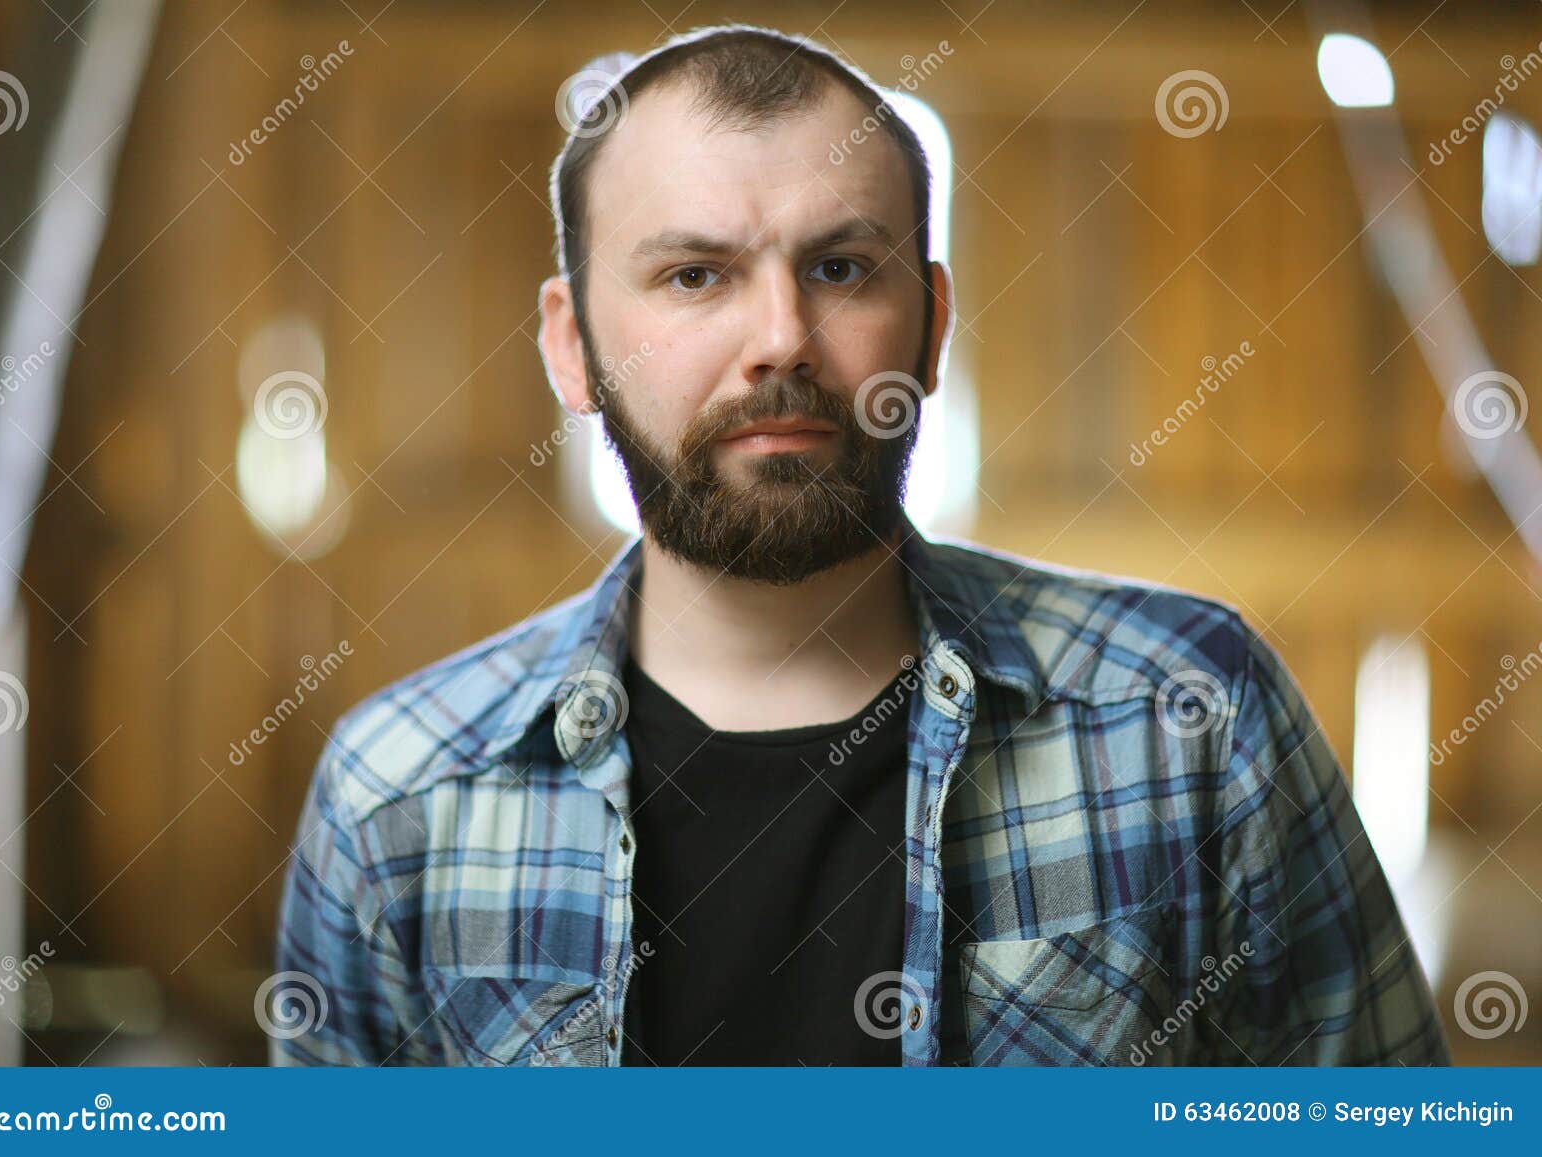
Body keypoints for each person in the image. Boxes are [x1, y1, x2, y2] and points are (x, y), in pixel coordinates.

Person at [271, 23, 1449, 1067]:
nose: (780, 338)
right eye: (695, 275)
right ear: (572, 346)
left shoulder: (1191, 715)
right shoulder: (401, 798)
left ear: (931, 325)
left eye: (839, 268)